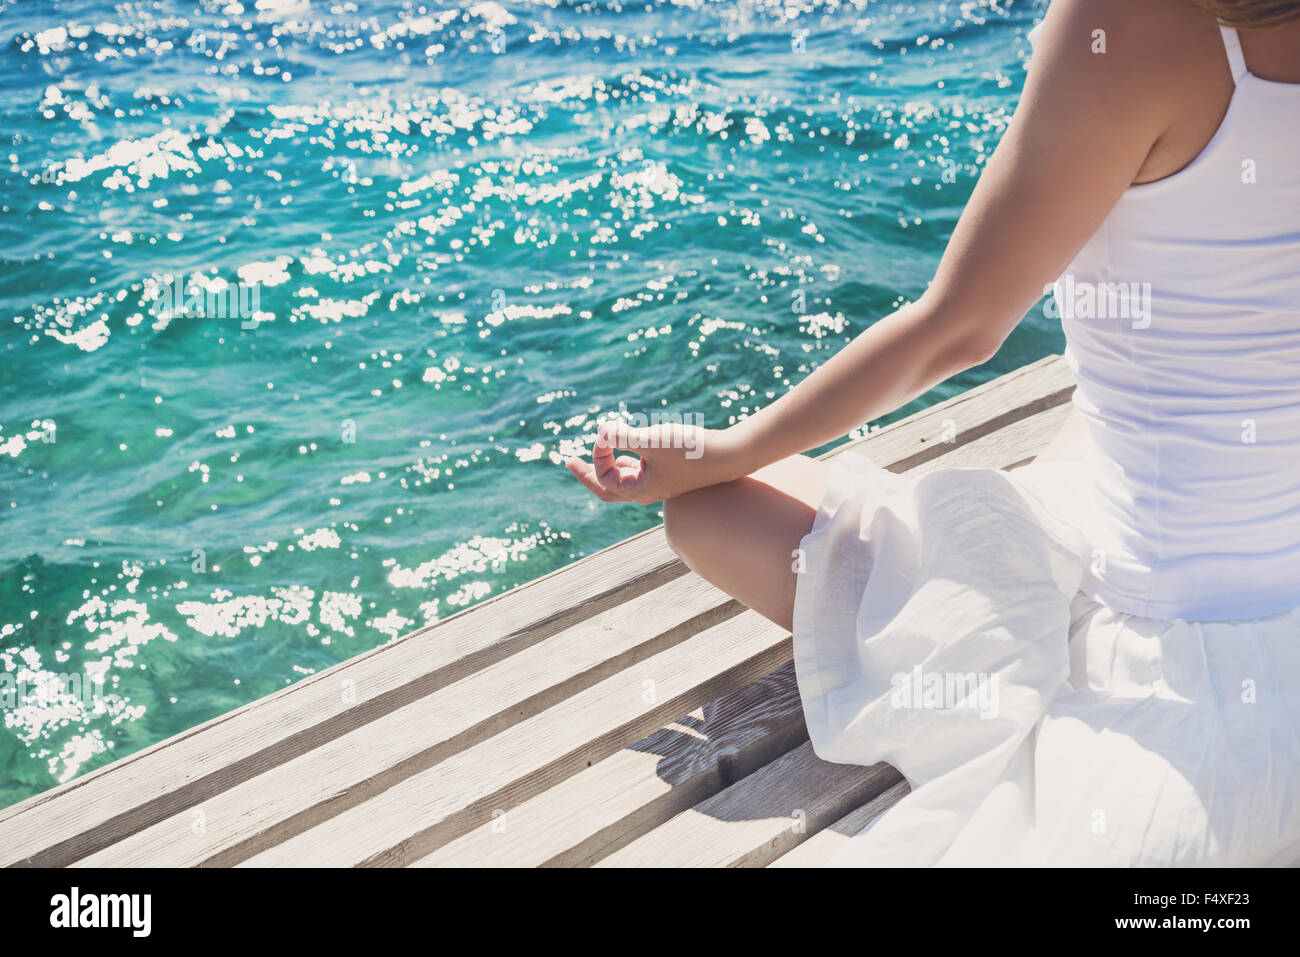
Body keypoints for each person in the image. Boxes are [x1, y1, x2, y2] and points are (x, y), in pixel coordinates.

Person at [565, 0, 1300, 866]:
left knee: (708, 512)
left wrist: (720, 449)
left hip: (1160, 625)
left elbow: (961, 327)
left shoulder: (1126, 21)